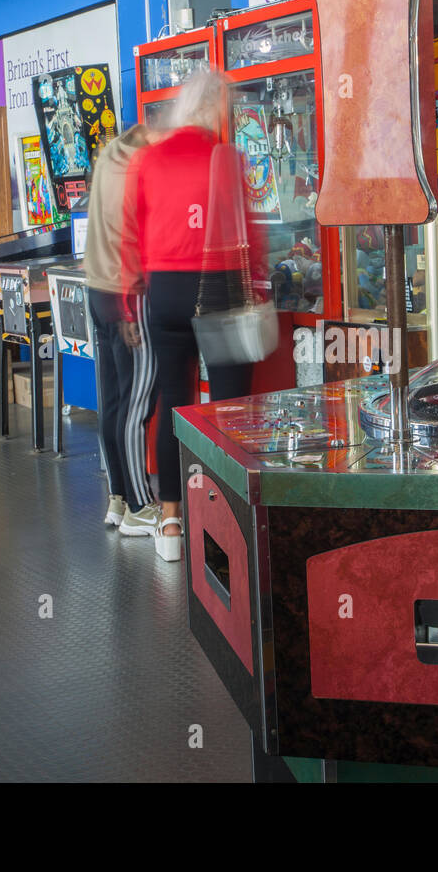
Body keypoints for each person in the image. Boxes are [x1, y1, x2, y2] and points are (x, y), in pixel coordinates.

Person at [127, 70, 264, 561]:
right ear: (215, 111)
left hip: (163, 290)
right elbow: (249, 233)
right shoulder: (225, 159)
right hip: (220, 285)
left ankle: (169, 522)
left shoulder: (148, 159)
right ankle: (229, 523)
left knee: (174, 399)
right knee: (229, 408)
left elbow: (135, 228)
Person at [84, 123, 159, 536]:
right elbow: (130, 239)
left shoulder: (107, 158)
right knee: (137, 404)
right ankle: (141, 507)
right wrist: (132, 309)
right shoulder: (136, 168)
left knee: (112, 400)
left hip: (98, 293)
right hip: (128, 297)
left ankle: (118, 497)